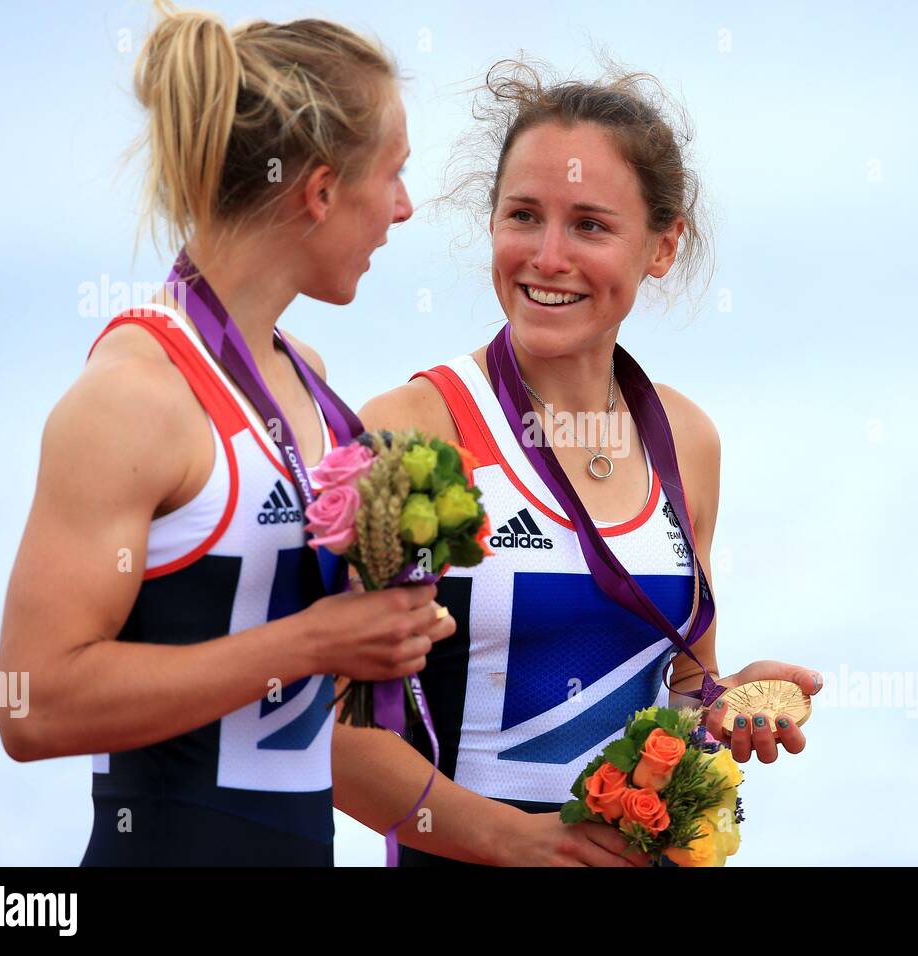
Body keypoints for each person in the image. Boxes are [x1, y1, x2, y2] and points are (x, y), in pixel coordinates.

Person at [0, 3, 455, 866]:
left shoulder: (306, 377)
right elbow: (32, 705)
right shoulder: (136, 396)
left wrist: (383, 633)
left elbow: (291, 697)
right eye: (392, 175)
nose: (405, 207)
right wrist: (316, 642)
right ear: (319, 190)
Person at [335, 60, 822, 867]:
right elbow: (329, 732)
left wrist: (723, 708)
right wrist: (519, 841)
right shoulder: (407, 432)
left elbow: (680, 687)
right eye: (524, 216)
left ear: (663, 246)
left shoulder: (686, 438)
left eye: (590, 226)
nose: (547, 256)